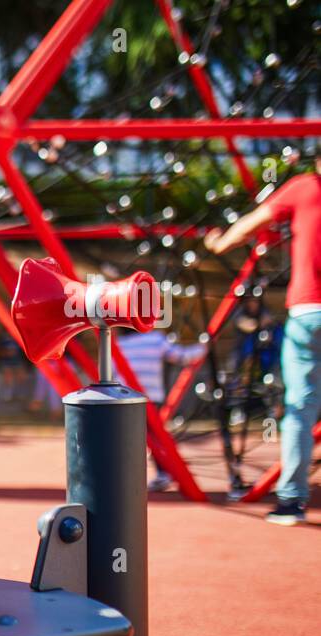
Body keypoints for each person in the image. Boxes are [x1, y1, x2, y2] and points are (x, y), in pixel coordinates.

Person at [205, 152, 321, 525]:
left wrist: (219, 243)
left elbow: (251, 223)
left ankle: (291, 501)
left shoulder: (304, 187)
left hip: (307, 310)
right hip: (306, 311)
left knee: (299, 410)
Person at [115, 328, 205, 492]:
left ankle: (126, 477)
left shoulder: (118, 343)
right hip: (150, 396)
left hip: (124, 397)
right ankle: (164, 472)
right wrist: (202, 347)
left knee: (128, 439)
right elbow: (181, 356)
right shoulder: (155, 339)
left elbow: (109, 372)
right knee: (153, 437)